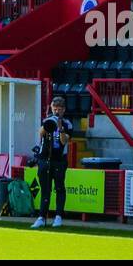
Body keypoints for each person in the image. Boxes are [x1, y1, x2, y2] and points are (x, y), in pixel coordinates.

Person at [31, 95, 75, 229]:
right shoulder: (47, 120)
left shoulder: (68, 123)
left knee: (59, 188)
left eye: (60, 109)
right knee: (45, 189)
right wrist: (49, 124)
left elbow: (63, 141)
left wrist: (60, 127)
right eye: (55, 109)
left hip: (59, 160)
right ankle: (41, 217)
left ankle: (58, 216)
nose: (57, 111)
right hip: (45, 159)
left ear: (64, 110)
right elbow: (40, 133)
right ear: (51, 108)